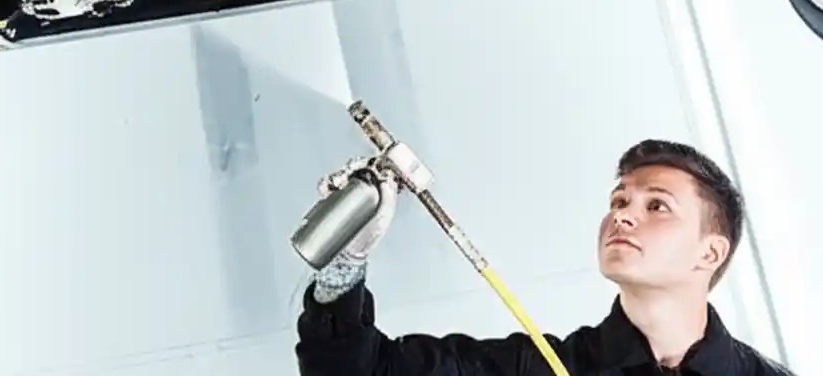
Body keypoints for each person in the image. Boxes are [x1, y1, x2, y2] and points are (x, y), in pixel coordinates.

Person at [294, 139, 795, 375]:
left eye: (656, 205)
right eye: (618, 201)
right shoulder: (541, 368)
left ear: (710, 252)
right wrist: (346, 262)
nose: (622, 215)